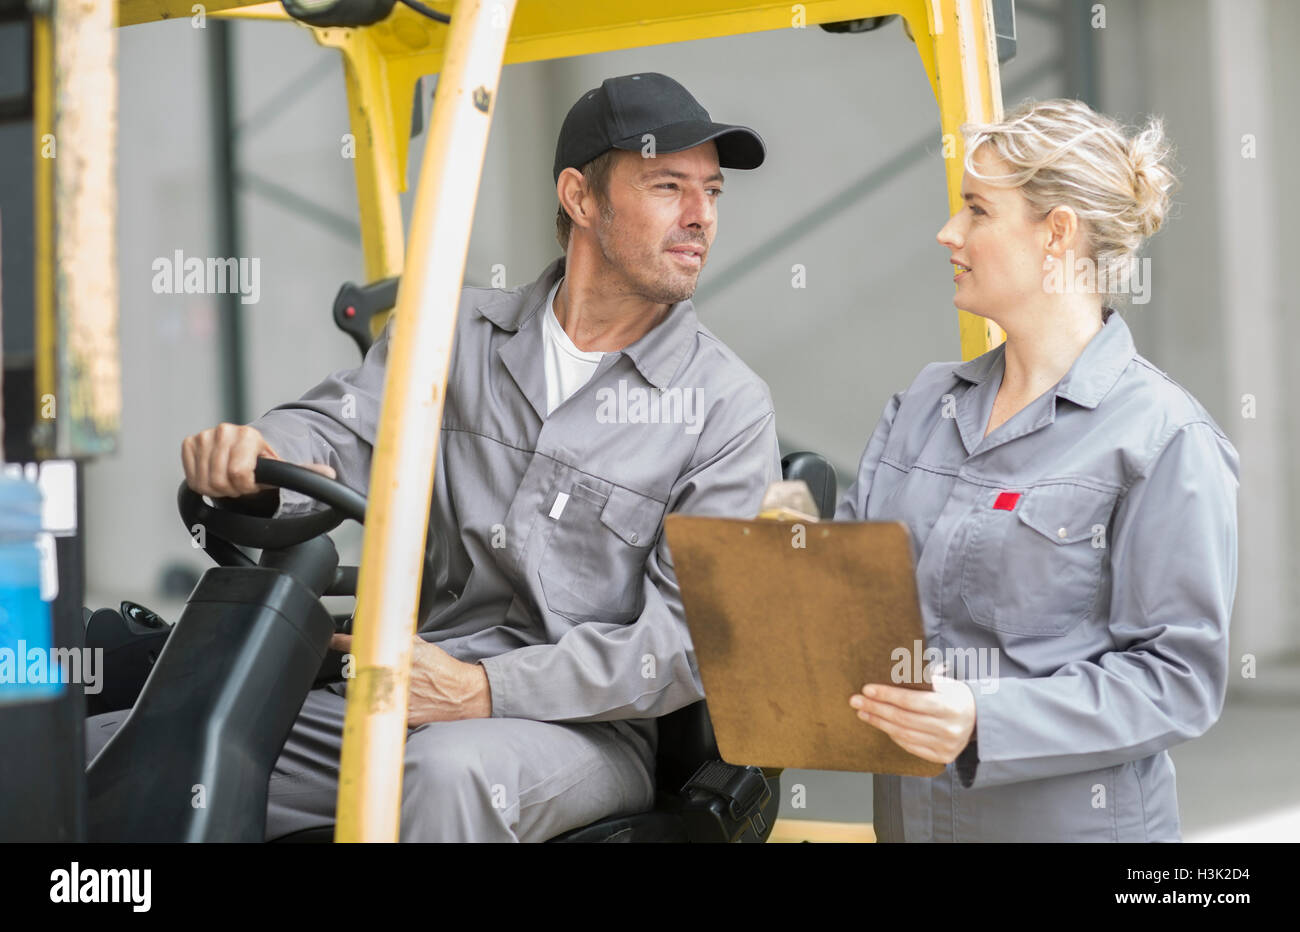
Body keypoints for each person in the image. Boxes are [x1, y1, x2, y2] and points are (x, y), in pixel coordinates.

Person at [86, 72, 781, 841]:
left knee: (446, 775)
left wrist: (485, 688)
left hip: (580, 728)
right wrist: (261, 453)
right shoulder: (456, 333)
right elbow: (340, 429)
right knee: (121, 755)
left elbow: (688, 643)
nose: (700, 218)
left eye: (711, 192)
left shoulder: (725, 407)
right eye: (667, 186)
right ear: (581, 199)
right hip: (403, 683)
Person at [840, 99, 1239, 841]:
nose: (948, 233)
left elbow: (1176, 682)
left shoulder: (1162, 436)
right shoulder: (924, 404)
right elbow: (849, 598)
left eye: (977, 211)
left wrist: (983, 718)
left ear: (1057, 233)